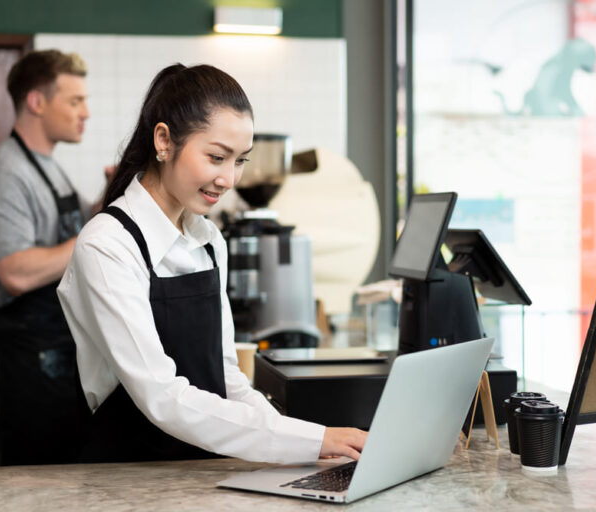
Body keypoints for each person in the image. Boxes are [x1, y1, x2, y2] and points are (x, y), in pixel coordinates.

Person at [57, 64, 367, 463]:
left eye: (239, 161)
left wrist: (301, 446)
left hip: (202, 470)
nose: (229, 179)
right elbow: (162, 397)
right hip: (129, 478)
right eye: (217, 157)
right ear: (164, 141)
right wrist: (311, 439)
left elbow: (228, 380)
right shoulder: (107, 245)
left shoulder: (209, 240)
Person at [0, 49, 92, 465]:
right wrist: (93, 237)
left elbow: (79, 224)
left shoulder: (50, 167)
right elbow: (15, 272)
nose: (85, 112)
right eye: (75, 101)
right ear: (37, 102)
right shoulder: (3, 174)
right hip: (19, 363)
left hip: (55, 354)